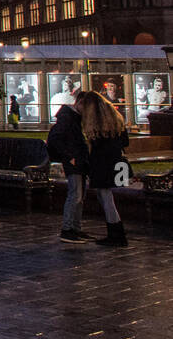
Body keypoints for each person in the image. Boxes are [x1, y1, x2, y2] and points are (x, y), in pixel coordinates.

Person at [79, 90, 130, 247]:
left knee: (105, 198)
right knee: (106, 198)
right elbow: (125, 142)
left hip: (102, 165)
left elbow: (94, 149)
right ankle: (116, 232)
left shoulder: (96, 126)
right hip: (115, 163)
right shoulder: (116, 120)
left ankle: (116, 234)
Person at [48, 90, 90, 243]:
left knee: (80, 196)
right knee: (75, 195)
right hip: (74, 162)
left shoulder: (75, 118)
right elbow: (55, 139)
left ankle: (76, 228)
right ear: (79, 103)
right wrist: (69, 157)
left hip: (79, 161)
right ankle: (67, 229)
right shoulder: (67, 118)